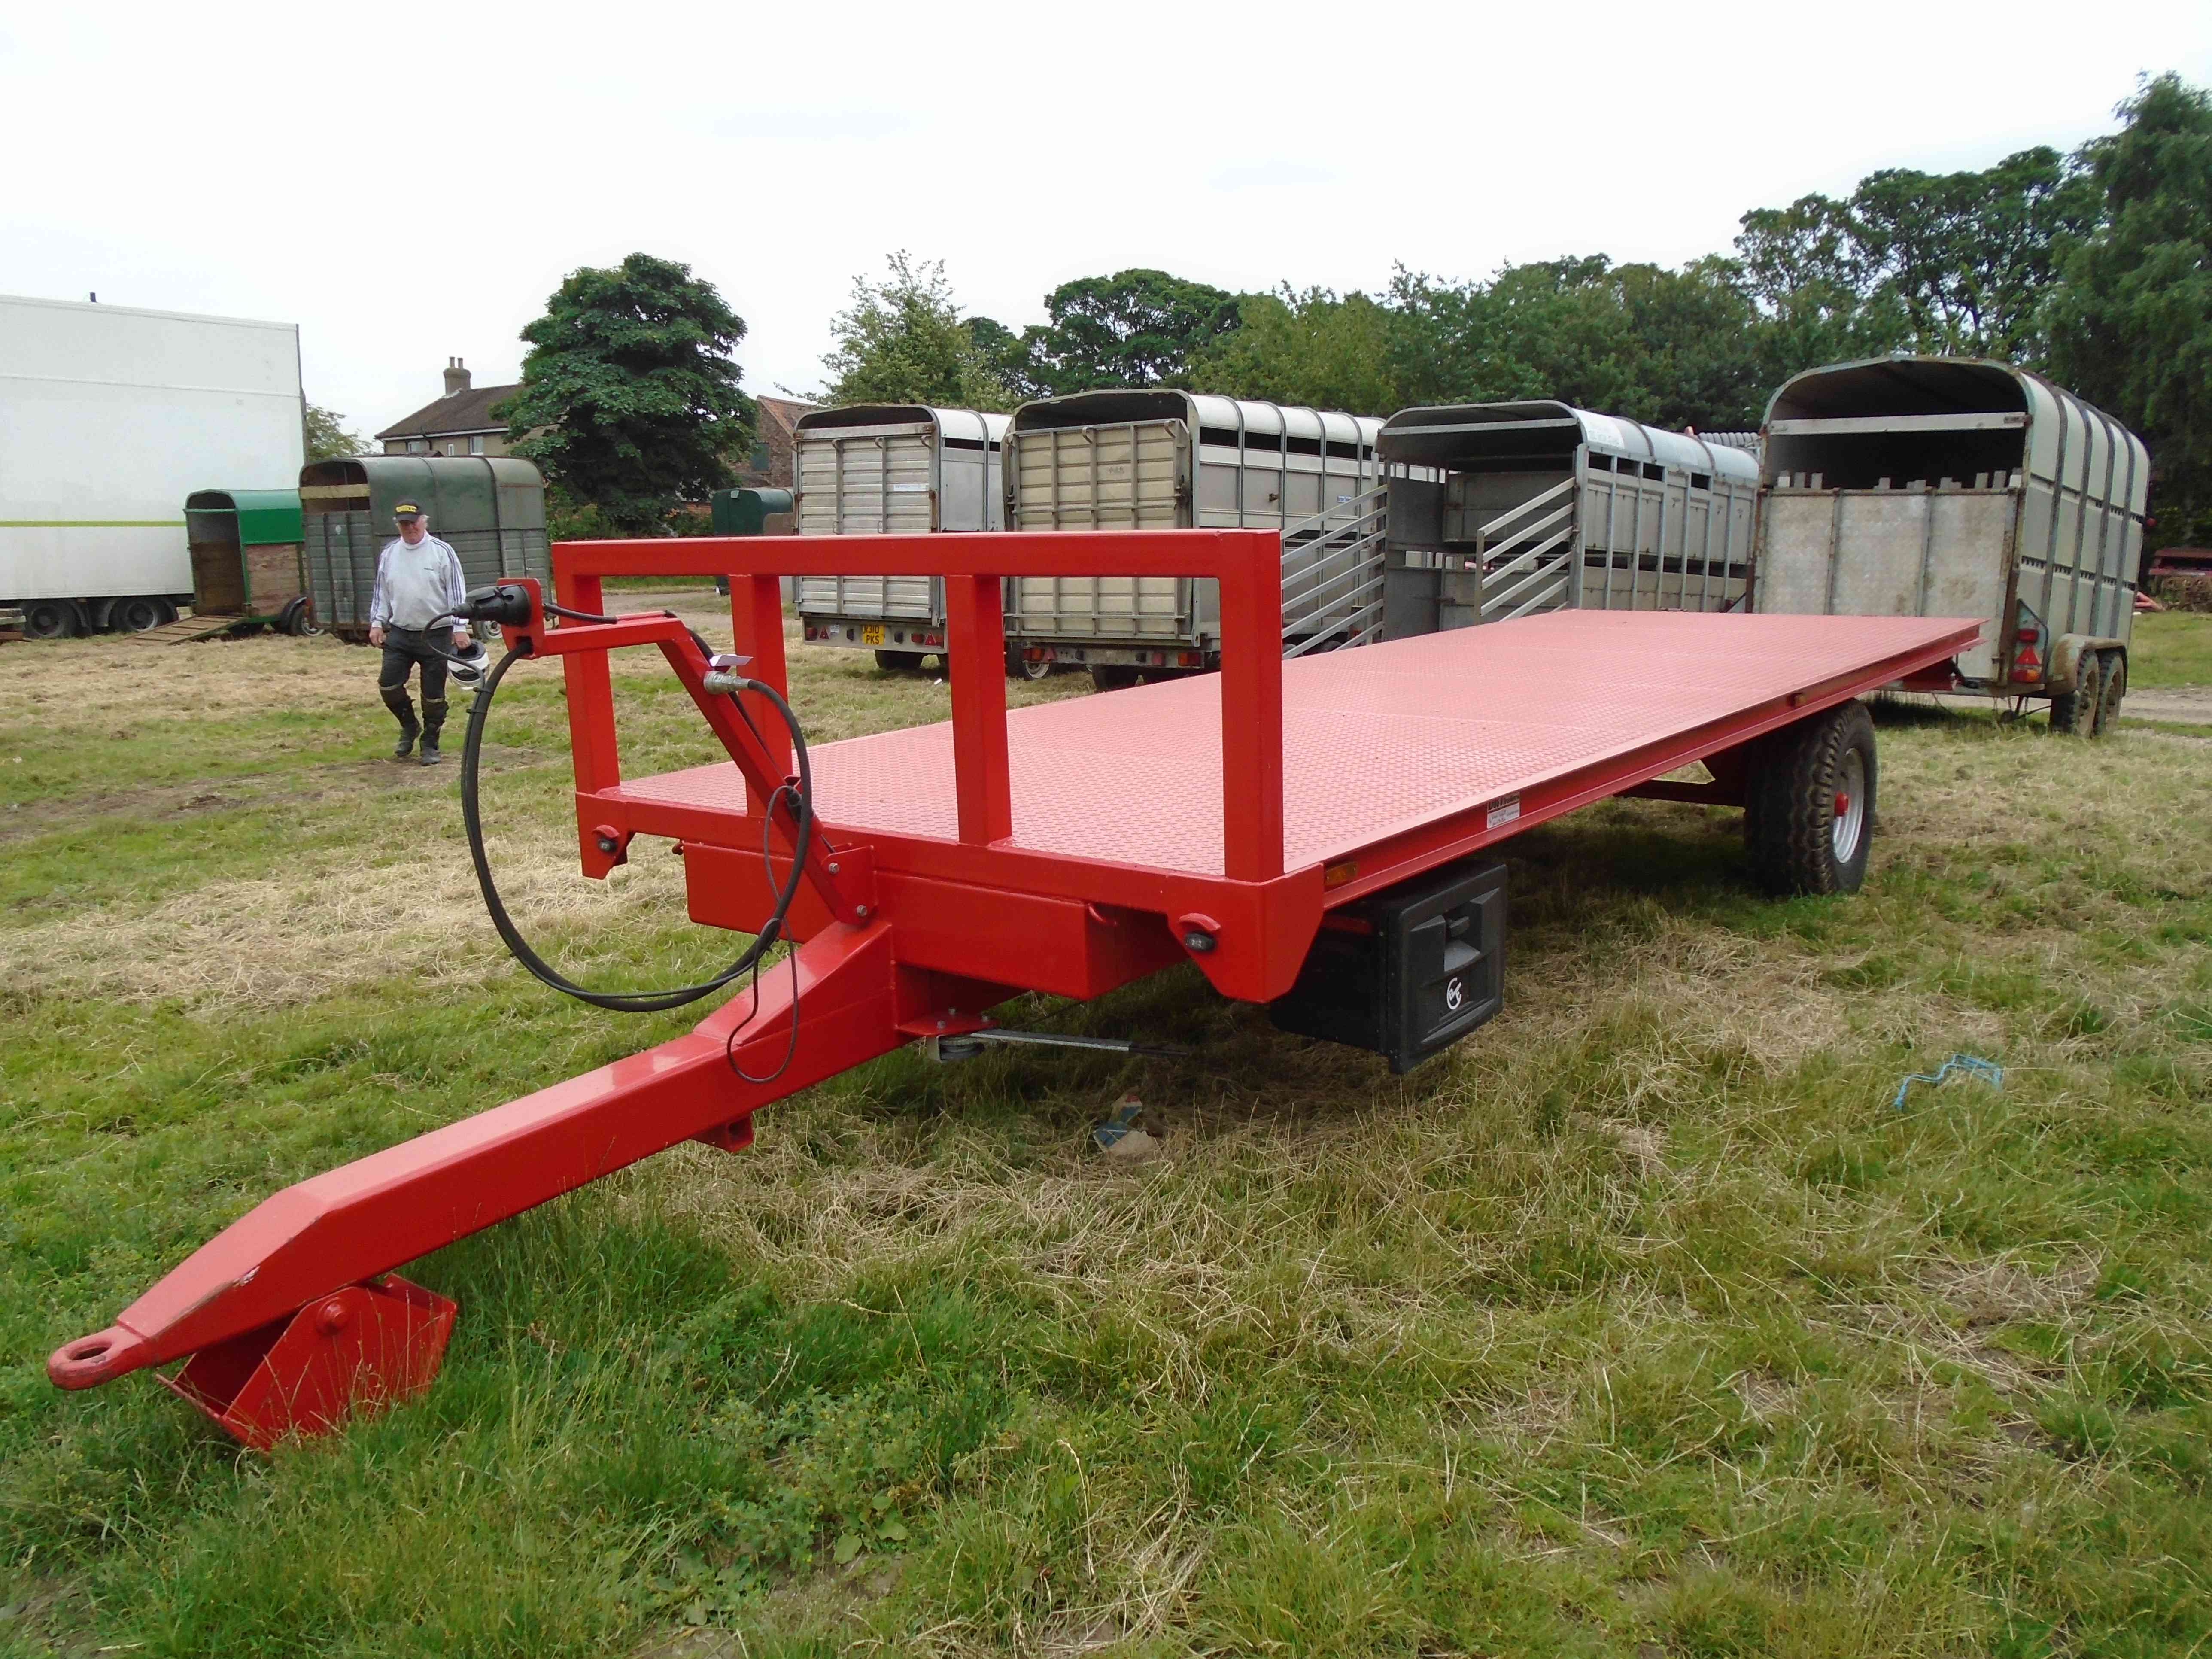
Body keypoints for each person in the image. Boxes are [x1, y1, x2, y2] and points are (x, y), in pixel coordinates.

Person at [367, 501, 470, 765]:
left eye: (414, 523)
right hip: (401, 633)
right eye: (404, 524)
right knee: (388, 685)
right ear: (398, 526)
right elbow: (382, 592)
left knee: (433, 695)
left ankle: (431, 743)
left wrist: (459, 627)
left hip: (436, 634)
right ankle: (409, 726)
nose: (410, 528)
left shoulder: (442, 552)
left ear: (424, 522)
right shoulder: (390, 553)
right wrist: (377, 622)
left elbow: (456, 592)